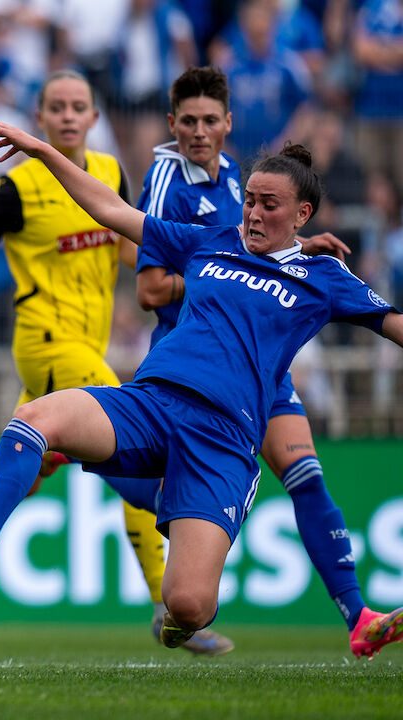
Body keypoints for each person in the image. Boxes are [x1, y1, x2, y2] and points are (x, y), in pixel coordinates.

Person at [0, 117, 403, 658]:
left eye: (271, 205)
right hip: (152, 403)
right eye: (251, 200)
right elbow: (111, 209)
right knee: (36, 419)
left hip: (223, 439)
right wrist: (41, 151)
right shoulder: (212, 241)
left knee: (189, 606)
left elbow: (393, 325)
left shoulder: (324, 278)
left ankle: (183, 571)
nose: (255, 213)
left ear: (303, 215)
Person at [0, 69, 232, 655]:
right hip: (46, 344)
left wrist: (205, 272)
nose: (70, 115)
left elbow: (134, 253)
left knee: (24, 469)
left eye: (80, 106)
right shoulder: (15, 189)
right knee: (140, 453)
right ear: (41, 118)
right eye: (58, 107)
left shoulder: (107, 173)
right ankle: (162, 603)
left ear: (95, 118)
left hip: (89, 343)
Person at [137, 65, 396, 654]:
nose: (199, 132)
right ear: (171, 125)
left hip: (261, 367)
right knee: (128, 471)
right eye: (188, 122)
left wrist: (293, 258)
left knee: (306, 475)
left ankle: (358, 618)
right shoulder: (164, 178)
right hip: (196, 370)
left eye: (210, 120)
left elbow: (263, 245)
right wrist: (225, 272)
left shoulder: (238, 178)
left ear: (229, 123)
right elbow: (151, 290)